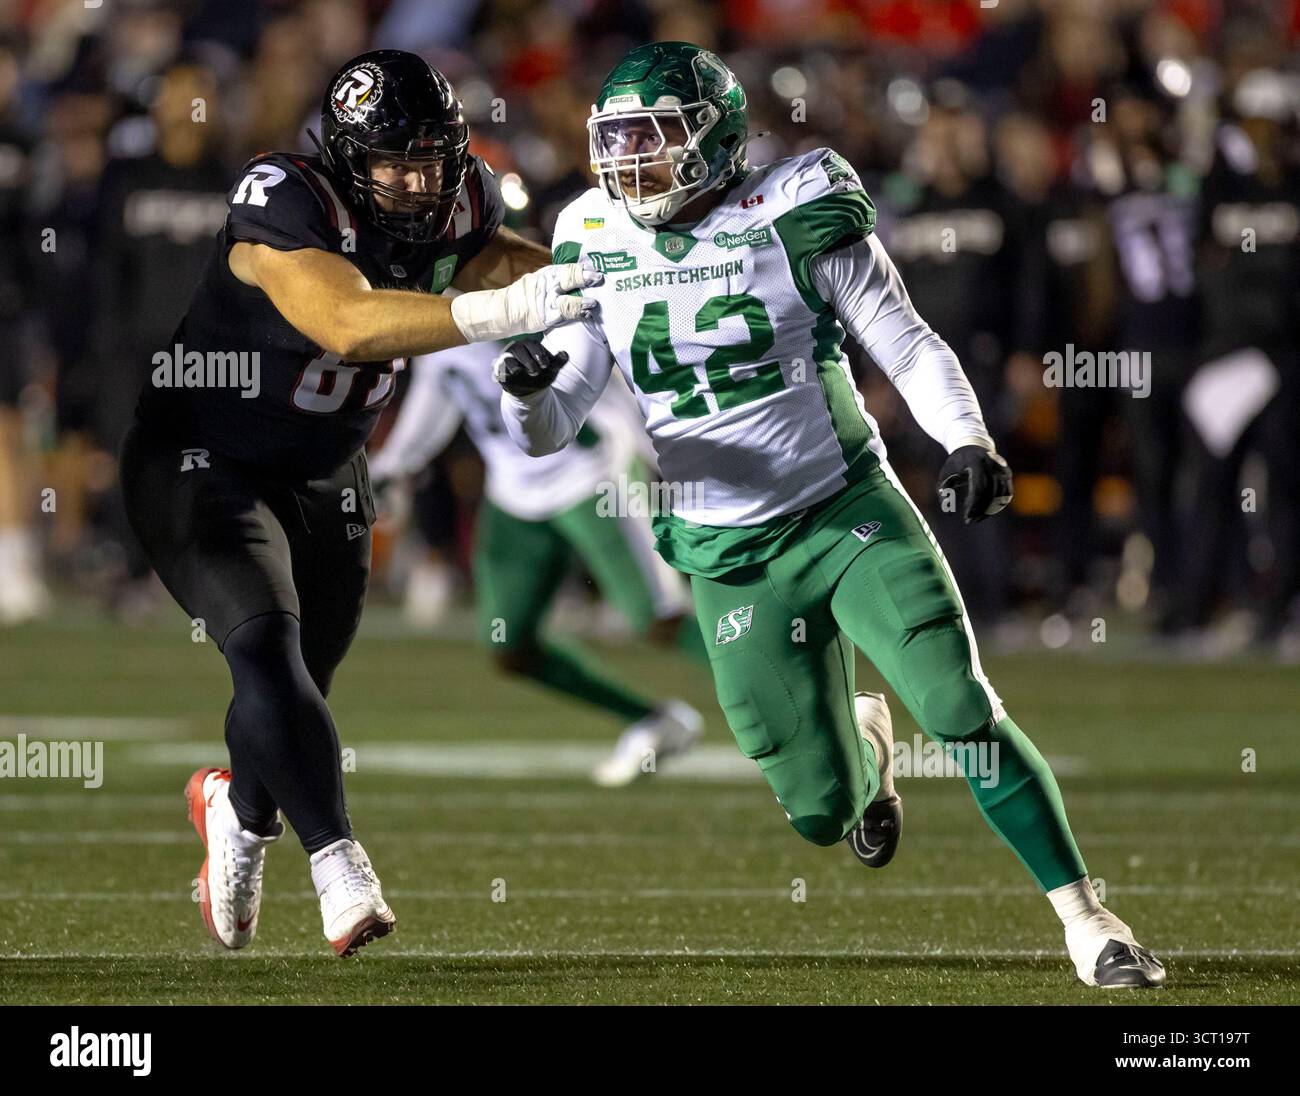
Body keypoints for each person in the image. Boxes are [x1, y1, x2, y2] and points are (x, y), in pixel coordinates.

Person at [496, 42, 1163, 988]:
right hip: (728, 555)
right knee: (818, 812)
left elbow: (905, 339)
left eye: (655, 136)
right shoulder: (592, 232)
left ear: (717, 139)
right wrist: (527, 393)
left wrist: (967, 439)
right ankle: (865, 744)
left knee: (959, 704)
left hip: (842, 509)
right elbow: (552, 425)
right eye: (618, 139)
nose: (630, 159)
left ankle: (1089, 919)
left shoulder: (794, 207)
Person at [119, 49, 599, 958]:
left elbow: (492, 257)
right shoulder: (286, 200)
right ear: (345, 157)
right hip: (203, 457)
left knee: (301, 682)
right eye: (395, 160)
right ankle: (339, 866)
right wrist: (509, 310)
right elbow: (348, 321)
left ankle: (236, 809)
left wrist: (601, 288)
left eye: (432, 156)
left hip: (328, 469)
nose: (419, 181)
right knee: (263, 643)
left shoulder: (456, 199)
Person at [369, 338, 708, 788]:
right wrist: (392, 465)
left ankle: (793, 689)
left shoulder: (539, 290)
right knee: (509, 646)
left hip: (592, 474)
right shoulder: (442, 304)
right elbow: (440, 385)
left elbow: (615, 362)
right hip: (513, 492)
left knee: (658, 619)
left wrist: (660, 449)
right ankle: (655, 721)